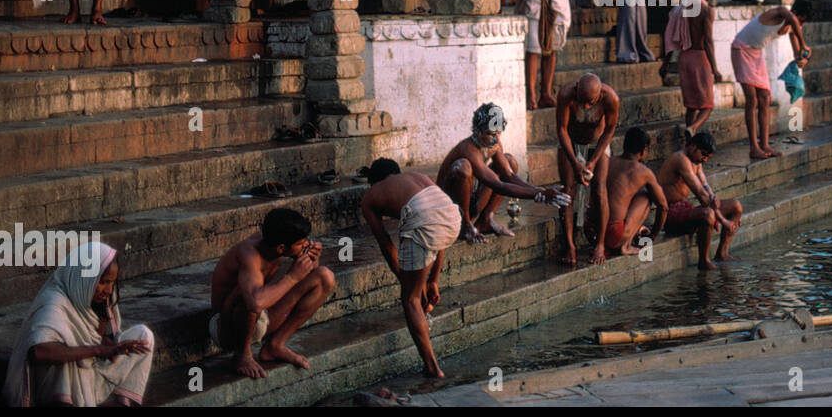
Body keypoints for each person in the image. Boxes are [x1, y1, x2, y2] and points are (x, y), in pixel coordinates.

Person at [2, 242, 153, 407]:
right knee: (65, 356)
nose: (109, 290)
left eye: (111, 282)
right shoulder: (54, 302)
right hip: (57, 386)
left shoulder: (94, 299)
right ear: (84, 277)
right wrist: (97, 350)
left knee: (144, 336)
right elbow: (39, 351)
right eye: (103, 282)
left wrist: (114, 347)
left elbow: (97, 340)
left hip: (89, 375)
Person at [359, 158, 460, 377]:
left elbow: (386, 244)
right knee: (416, 290)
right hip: (453, 217)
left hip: (424, 220)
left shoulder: (370, 196)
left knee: (410, 300)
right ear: (396, 172)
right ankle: (433, 364)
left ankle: (433, 368)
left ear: (373, 181)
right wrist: (432, 280)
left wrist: (409, 284)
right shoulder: (419, 177)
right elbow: (438, 233)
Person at [209, 208, 335, 378]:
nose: (306, 245)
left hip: (260, 318)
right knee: (249, 295)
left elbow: (309, 273)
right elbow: (254, 303)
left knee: (324, 277)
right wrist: (292, 277)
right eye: (301, 243)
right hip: (227, 328)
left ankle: (275, 346)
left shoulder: (277, 242)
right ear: (281, 248)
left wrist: (312, 259)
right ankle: (242, 355)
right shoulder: (249, 253)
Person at [437, 102, 567, 242]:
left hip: (473, 199)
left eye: (498, 133)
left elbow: (508, 175)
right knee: (464, 167)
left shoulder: (494, 144)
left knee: (509, 161)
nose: (496, 138)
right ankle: (466, 225)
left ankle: (486, 219)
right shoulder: (468, 150)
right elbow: (499, 185)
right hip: (450, 207)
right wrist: (536, 194)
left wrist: (539, 191)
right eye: (490, 134)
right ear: (477, 131)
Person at [731, 1, 812, 160]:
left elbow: (797, 53)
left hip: (756, 53)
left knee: (765, 98)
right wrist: (804, 44)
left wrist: (802, 58)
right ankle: (754, 147)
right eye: (800, 20)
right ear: (794, 12)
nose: (800, 25)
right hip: (741, 50)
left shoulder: (792, 26)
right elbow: (793, 20)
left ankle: (765, 145)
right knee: (752, 99)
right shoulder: (780, 12)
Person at [554, 73, 621, 265]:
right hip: (570, 141)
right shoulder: (566, 94)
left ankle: (600, 244)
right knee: (567, 191)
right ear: (576, 90)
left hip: (597, 143)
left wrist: (593, 161)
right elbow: (562, 129)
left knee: (599, 190)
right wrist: (574, 162)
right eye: (582, 101)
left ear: (599, 96)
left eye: (589, 103)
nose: (584, 107)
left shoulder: (611, 98)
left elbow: (609, 130)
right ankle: (570, 245)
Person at [657, 132, 742, 269]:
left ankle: (722, 253)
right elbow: (701, 194)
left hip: (686, 208)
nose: (705, 160)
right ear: (692, 146)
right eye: (703, 154)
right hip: (670, 214)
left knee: (735, 206)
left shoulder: (696, 161)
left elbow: (705, 186)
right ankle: (704, 261)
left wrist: (714, 200)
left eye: (707, 157)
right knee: (708, 214)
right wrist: (723, 220)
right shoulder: (680, 159)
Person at [585, 127, 669, 256]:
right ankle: (626, 245)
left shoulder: (607, 162)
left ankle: (629, 235)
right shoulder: (643, 171)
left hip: (591, 232)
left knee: (632, 193)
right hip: (613, 234)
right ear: (644, 150)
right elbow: (663, 206)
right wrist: (652, 236)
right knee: (647, 197)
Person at [662, 0, 721, 134]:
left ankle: (691, 142)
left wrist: (665, 64)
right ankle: (693, 128)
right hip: (699, 58)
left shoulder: (680, 8)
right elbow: (707, 40)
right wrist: (715, 69)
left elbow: (670, 39)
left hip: (684, 58)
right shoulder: (706, 9)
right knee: (707, 106)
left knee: (691, 106)